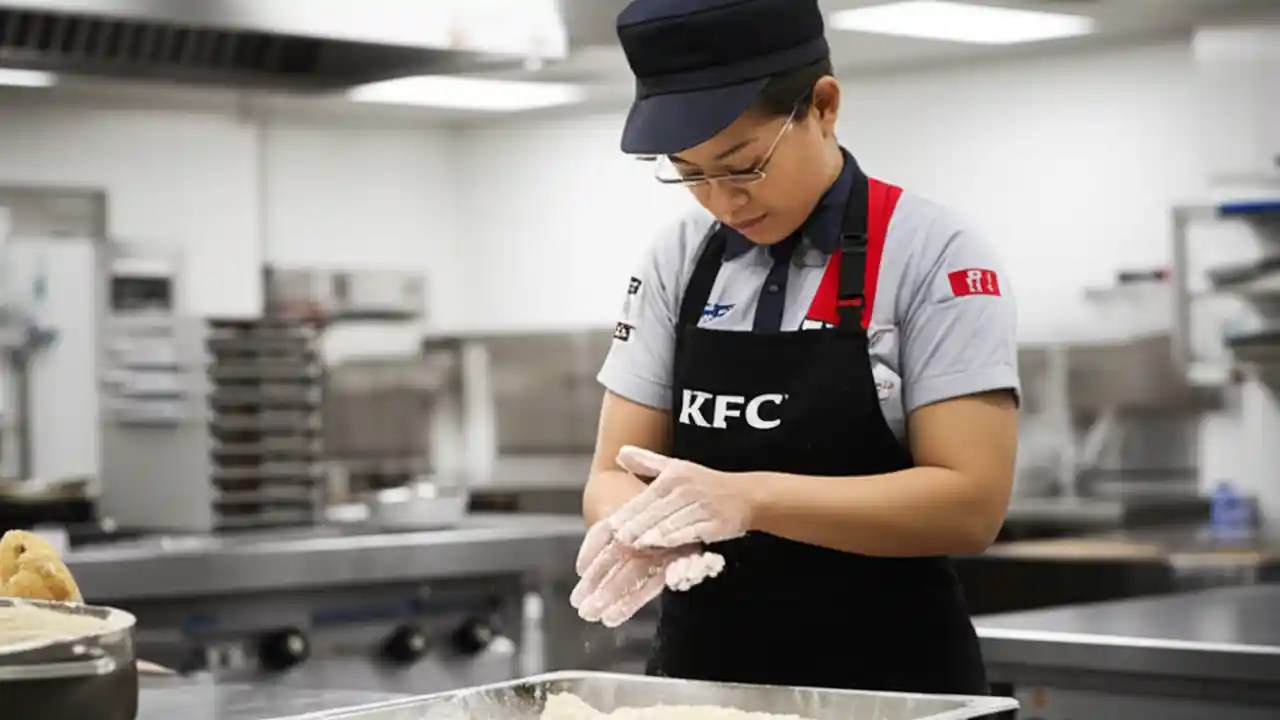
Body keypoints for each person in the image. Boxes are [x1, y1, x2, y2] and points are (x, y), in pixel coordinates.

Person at [570, 0, 1020, 695]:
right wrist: (643, 530)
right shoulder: (678, 261)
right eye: (689, 173)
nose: (722, 201)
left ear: (824, 106)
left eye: (743, 167)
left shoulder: (932, 253)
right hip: (704, 685)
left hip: (889, 686)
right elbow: (611, 473)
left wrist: (750, 501)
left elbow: (970, 504)